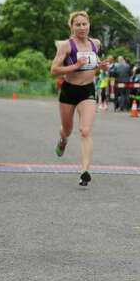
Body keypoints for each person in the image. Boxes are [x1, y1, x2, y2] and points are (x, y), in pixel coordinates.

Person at [50, 10, 102, 186]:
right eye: (77, 24)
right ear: (72, 27)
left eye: (84, 24)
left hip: (88, 90)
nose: (81, 27)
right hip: (69, 91)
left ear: (89, 25)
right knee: (67, 130)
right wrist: (75, 66)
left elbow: (94, 68)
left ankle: (84, 171)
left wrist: (101, 67)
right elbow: (54, 70)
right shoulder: (66, 46)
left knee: (85, 130)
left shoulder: (95, 44)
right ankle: (63, 140)